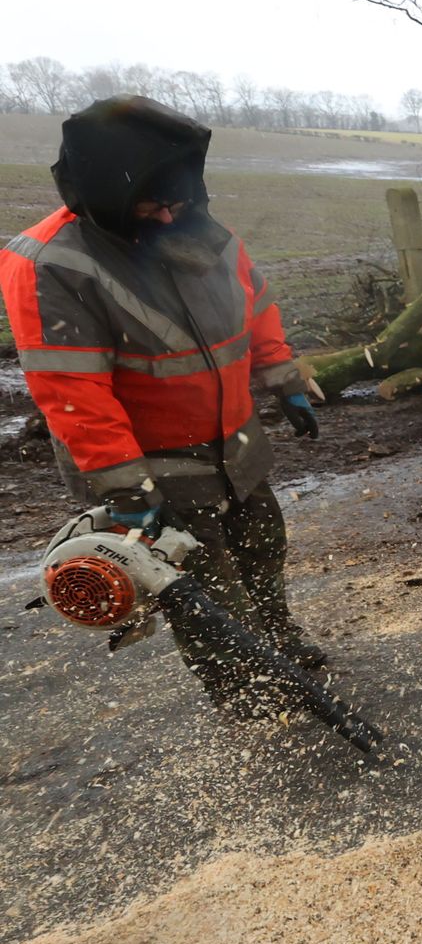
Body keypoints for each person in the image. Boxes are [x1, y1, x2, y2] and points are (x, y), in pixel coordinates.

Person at [0, 95, 326, 716]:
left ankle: (280, 644)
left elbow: (253, 305)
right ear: (108, 189)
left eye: (176, 196)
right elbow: (71, 389)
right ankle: (247, 696)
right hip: (149, 457)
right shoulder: (55, 263)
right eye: (154, 199)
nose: (169, 211)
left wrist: (282, 377)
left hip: (232, 439)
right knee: (204, 585)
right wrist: (126, 486)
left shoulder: (195, 228)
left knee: (262, 545)